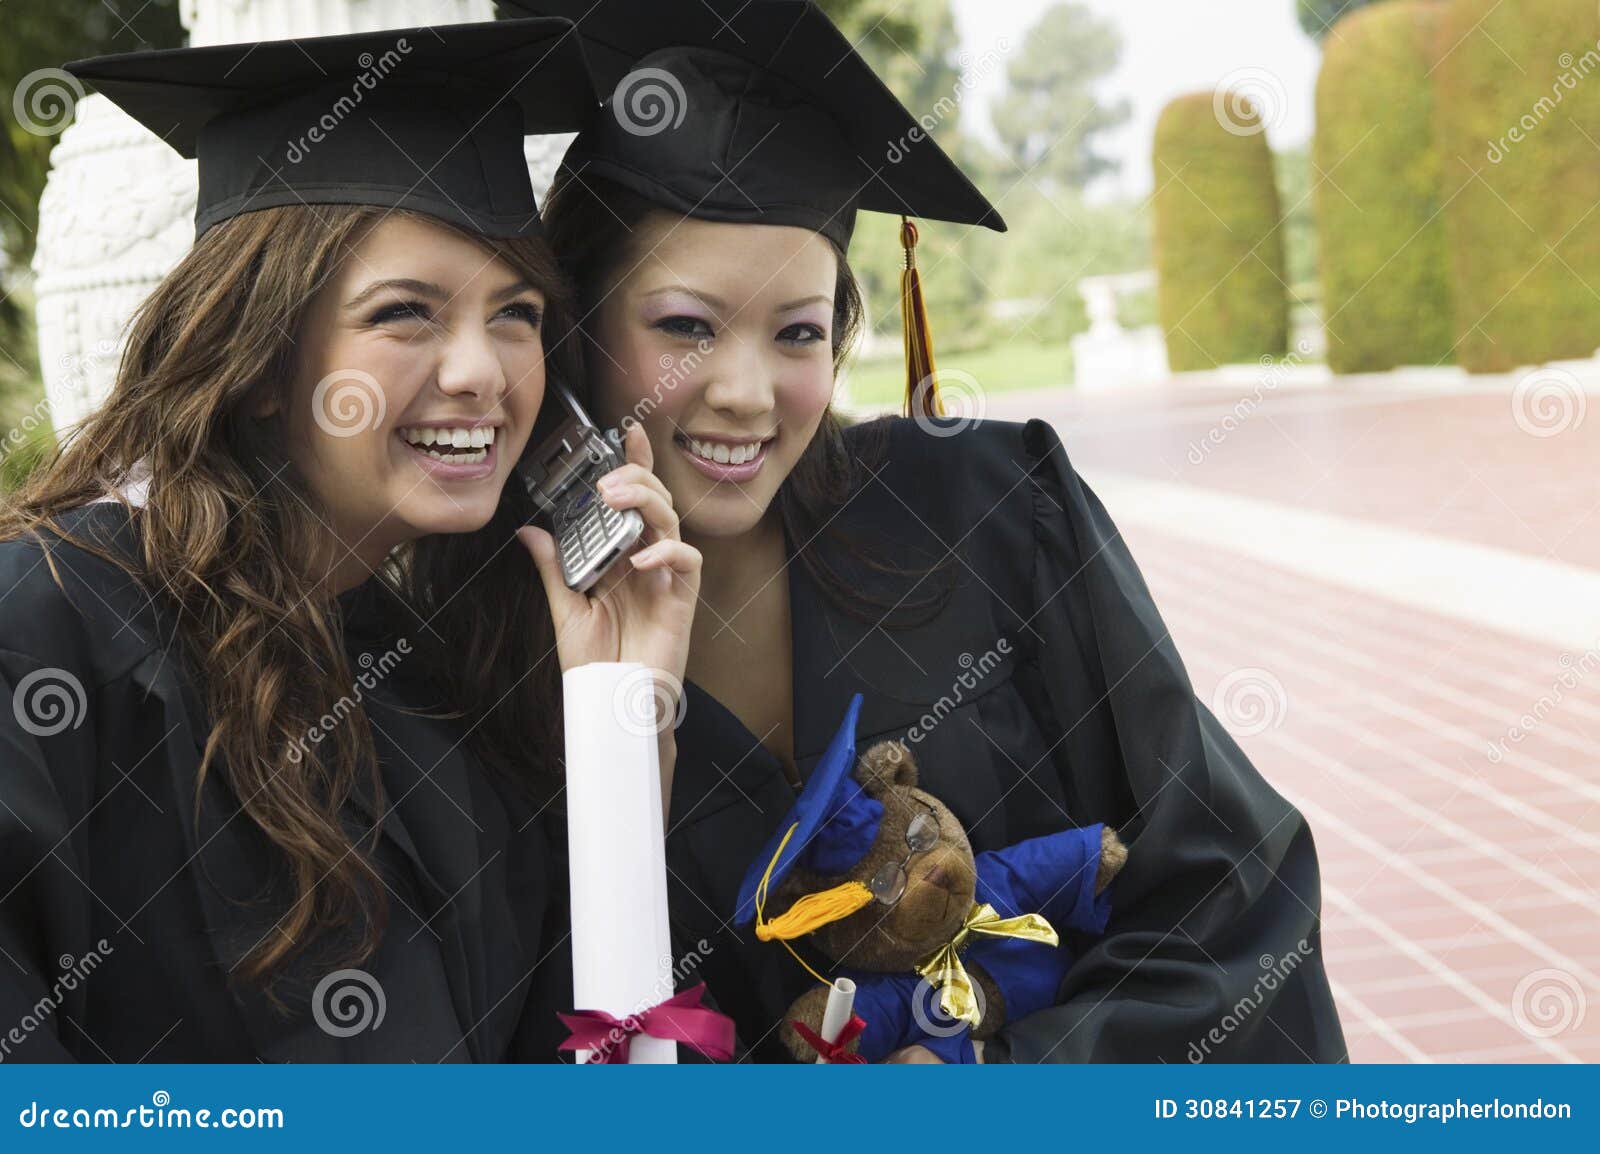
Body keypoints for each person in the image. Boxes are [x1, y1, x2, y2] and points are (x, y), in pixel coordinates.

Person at [527, 0, 1348, 1063]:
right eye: (683, 326)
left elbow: (1226, 885)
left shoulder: (988, 509)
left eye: (798, 334)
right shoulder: (518, 629)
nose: (742, 391)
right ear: (578, 329)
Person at [0, 19, 701, 1062]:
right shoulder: (51, 622)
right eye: (405, 313)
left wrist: (620, 716)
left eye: (514, 313)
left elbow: (581, 1064)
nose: (480, 371)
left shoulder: (427, 668)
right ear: (260, 356)